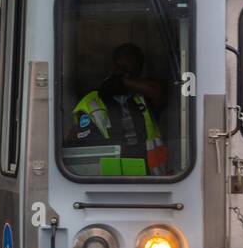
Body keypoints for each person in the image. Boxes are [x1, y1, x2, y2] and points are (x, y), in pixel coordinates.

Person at [68, 43, 168, 175]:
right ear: (112, 66)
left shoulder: (143, 96)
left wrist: (124, 83)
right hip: (108, 180)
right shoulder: (91, 101)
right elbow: (77, 144)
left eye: (128, 70)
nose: (122, 73)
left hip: (149, 178)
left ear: (138, 71)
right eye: (120, 67)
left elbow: (158, 92)